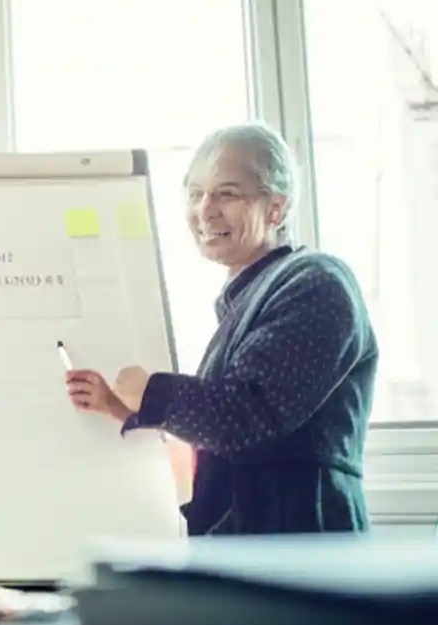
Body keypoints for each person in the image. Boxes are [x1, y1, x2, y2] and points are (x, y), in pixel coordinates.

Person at [65, 123, 377, 535]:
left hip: (300, 552)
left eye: (226, 194)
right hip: (252, 551)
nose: (206, 210)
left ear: (275, 209)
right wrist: (130, 411)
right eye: (195, 193)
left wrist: (152, 393)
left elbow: (249, 417)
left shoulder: (315, 282)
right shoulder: (248, 298)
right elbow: (220, 442)